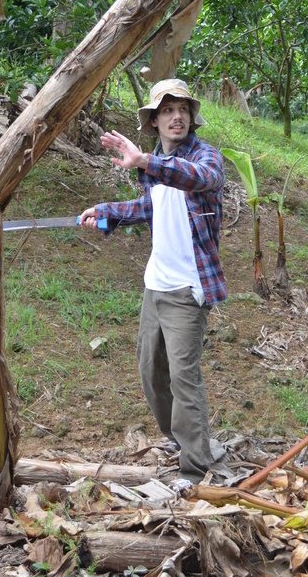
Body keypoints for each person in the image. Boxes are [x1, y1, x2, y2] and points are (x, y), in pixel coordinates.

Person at [80, 78, 226, 486]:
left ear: (191, 117)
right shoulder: (156, 166)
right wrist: (105, 211)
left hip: (188, 291)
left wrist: (144, 161)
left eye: (182, 109)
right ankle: (181, 441)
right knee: (151, 373)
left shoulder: (206, 158)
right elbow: (151, 205)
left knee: (183, 377)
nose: (176, 116)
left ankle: (195, 469)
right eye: (166, 110)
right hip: (155, 286)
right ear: (155, 121)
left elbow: (197, 179)